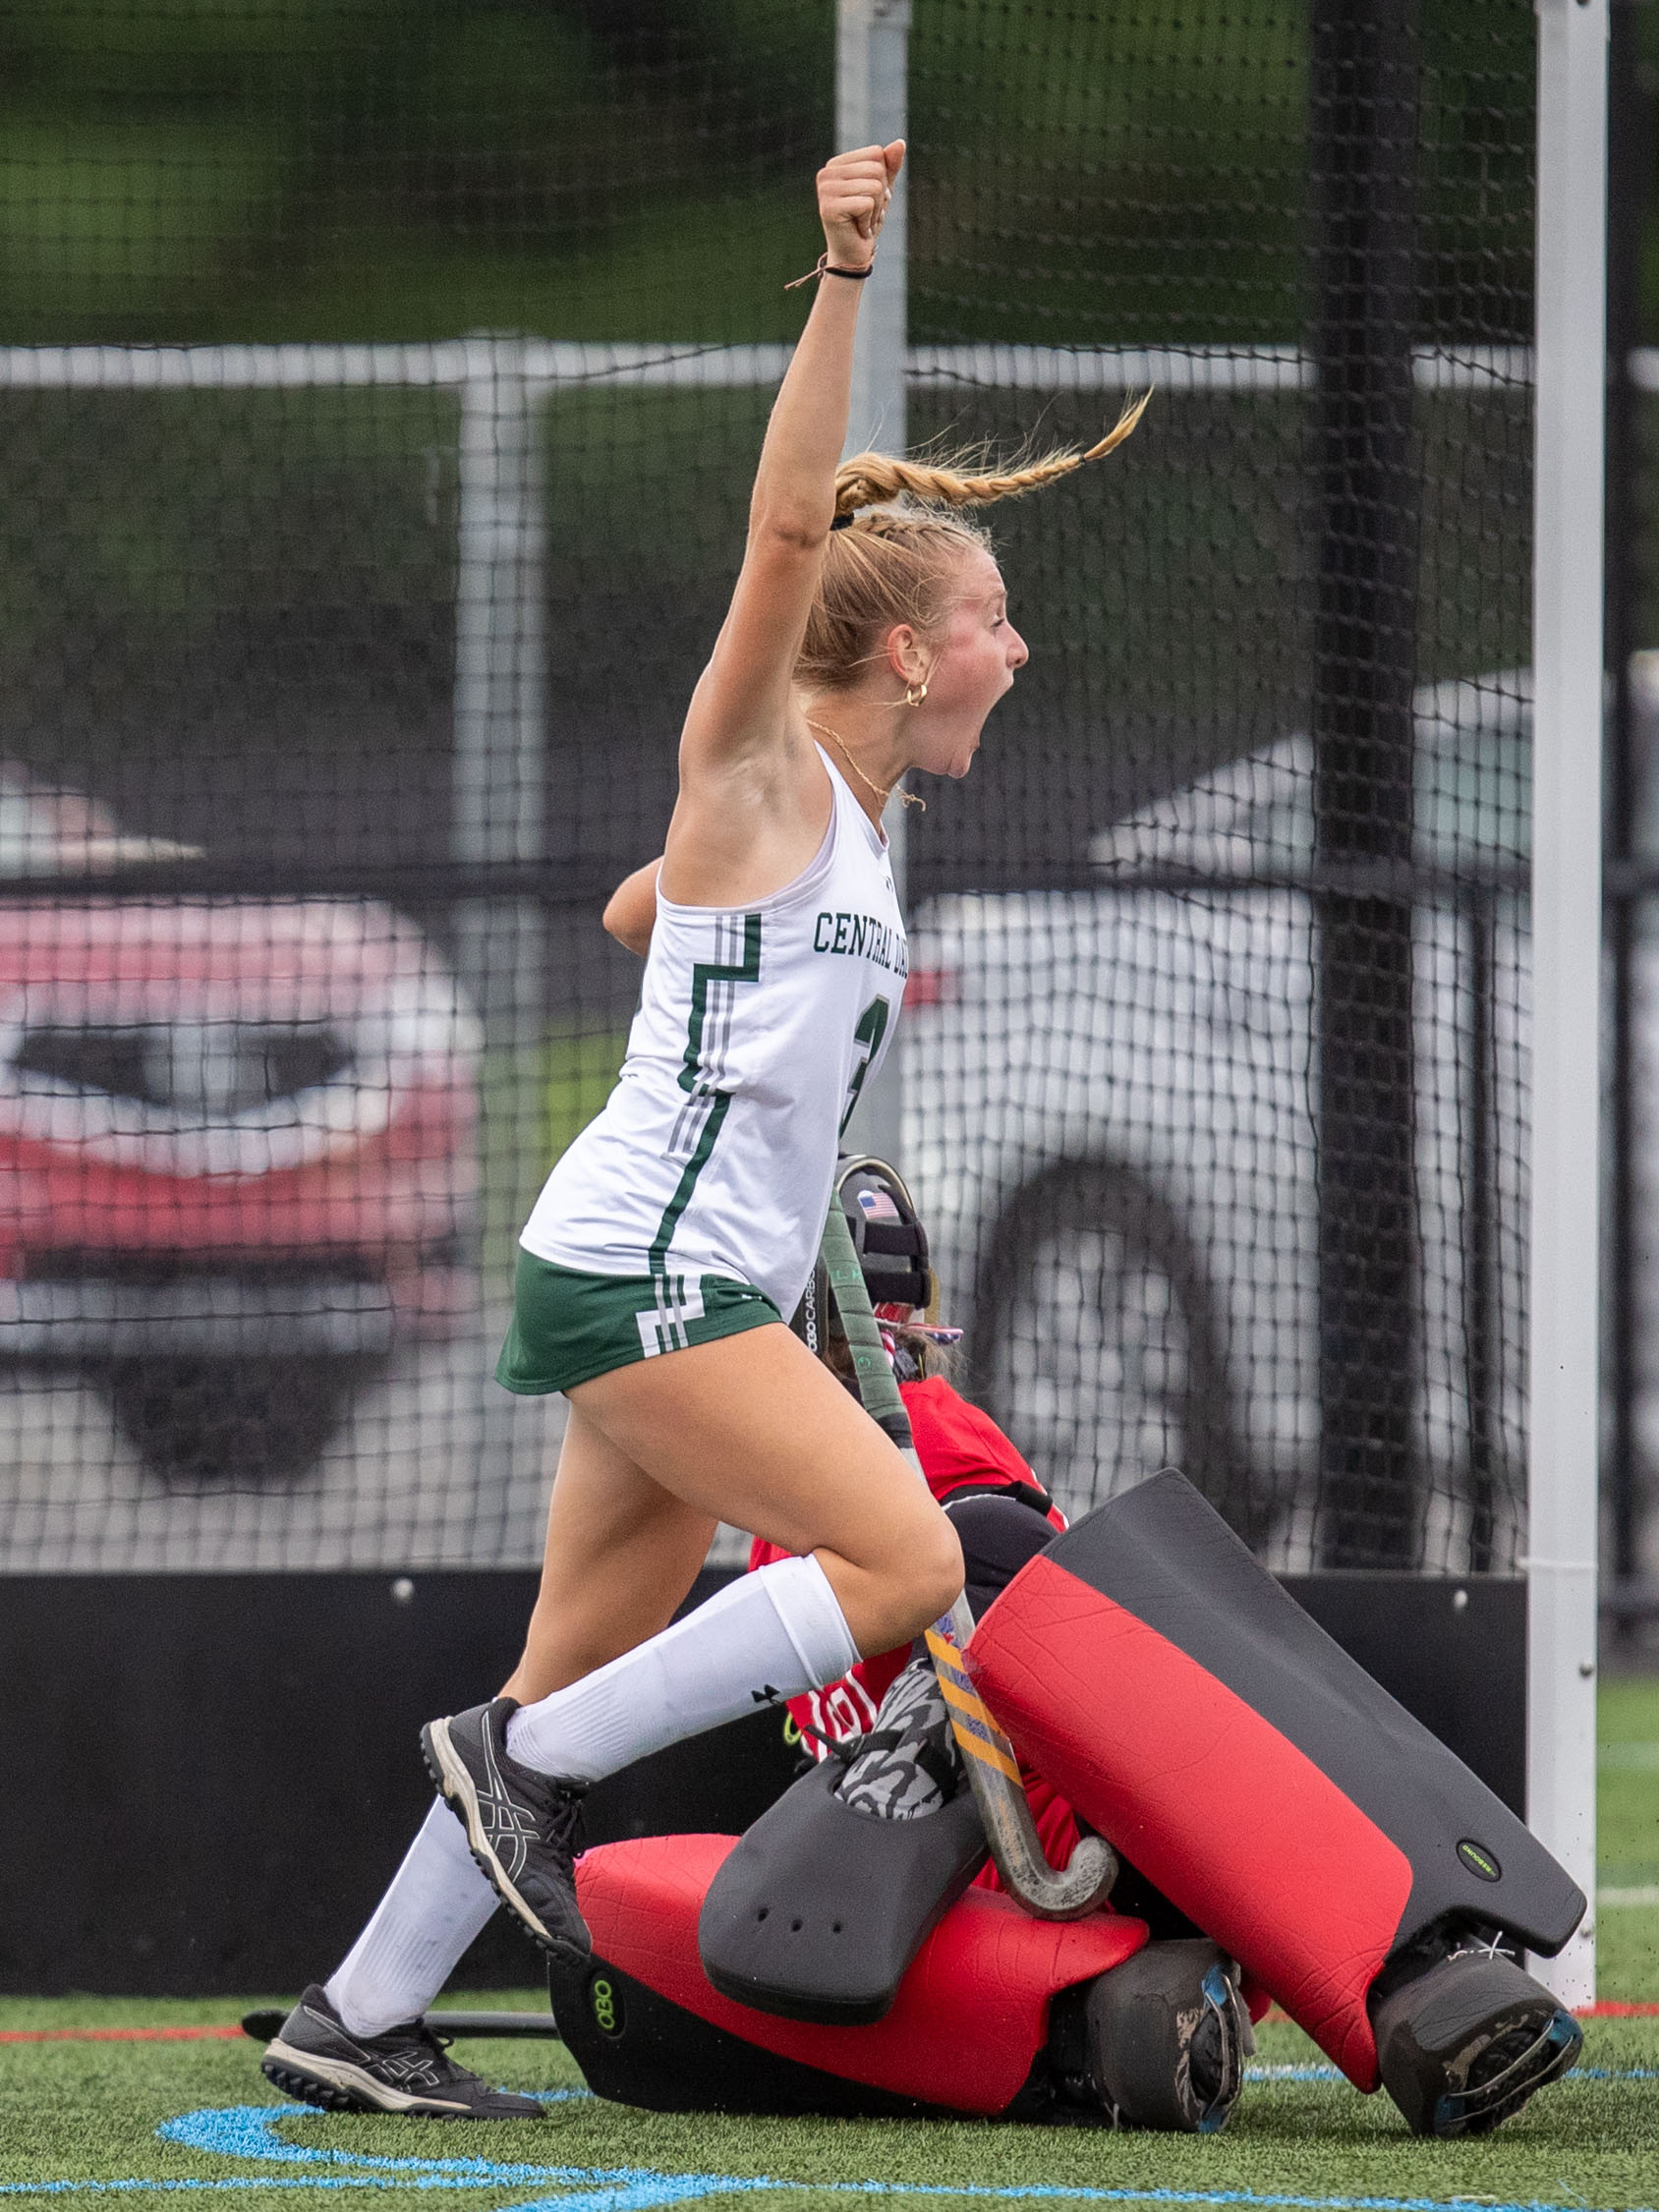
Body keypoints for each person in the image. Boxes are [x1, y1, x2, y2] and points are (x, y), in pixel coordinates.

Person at [261, 139, 1144, 2121]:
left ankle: (358, 2010)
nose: (1014, 645)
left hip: (680, 1276)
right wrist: (839, 280)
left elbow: (632, 915)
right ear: (905, 648)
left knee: (568, 1658)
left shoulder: (820, 826)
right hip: (647, 1275)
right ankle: (530, 1778)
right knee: (907, 1558)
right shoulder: (755, 767)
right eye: (989, 618)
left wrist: (689, 914)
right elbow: (775, 543)